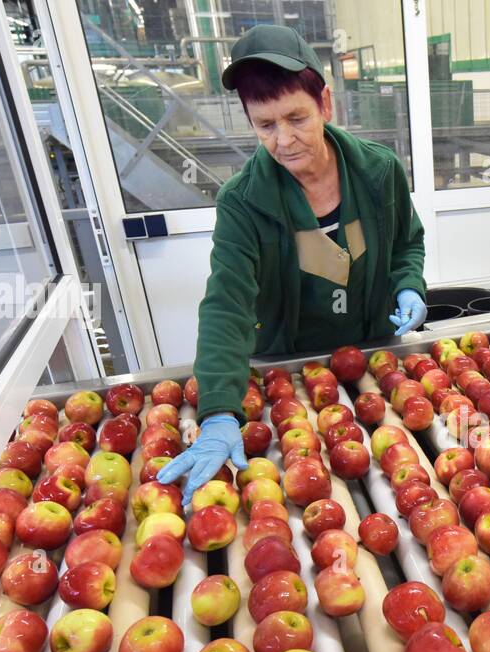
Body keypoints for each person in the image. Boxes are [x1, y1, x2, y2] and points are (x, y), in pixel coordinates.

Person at [160, 24, 427, 501]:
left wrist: (409, 284)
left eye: (296, 117)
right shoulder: (243, 202)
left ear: (325, 103)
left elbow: (407, 242)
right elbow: (228, 303)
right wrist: (220, 409)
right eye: (265, 125)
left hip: (371, 360)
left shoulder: (379, 171)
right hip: (290, 374)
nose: (284, 140)